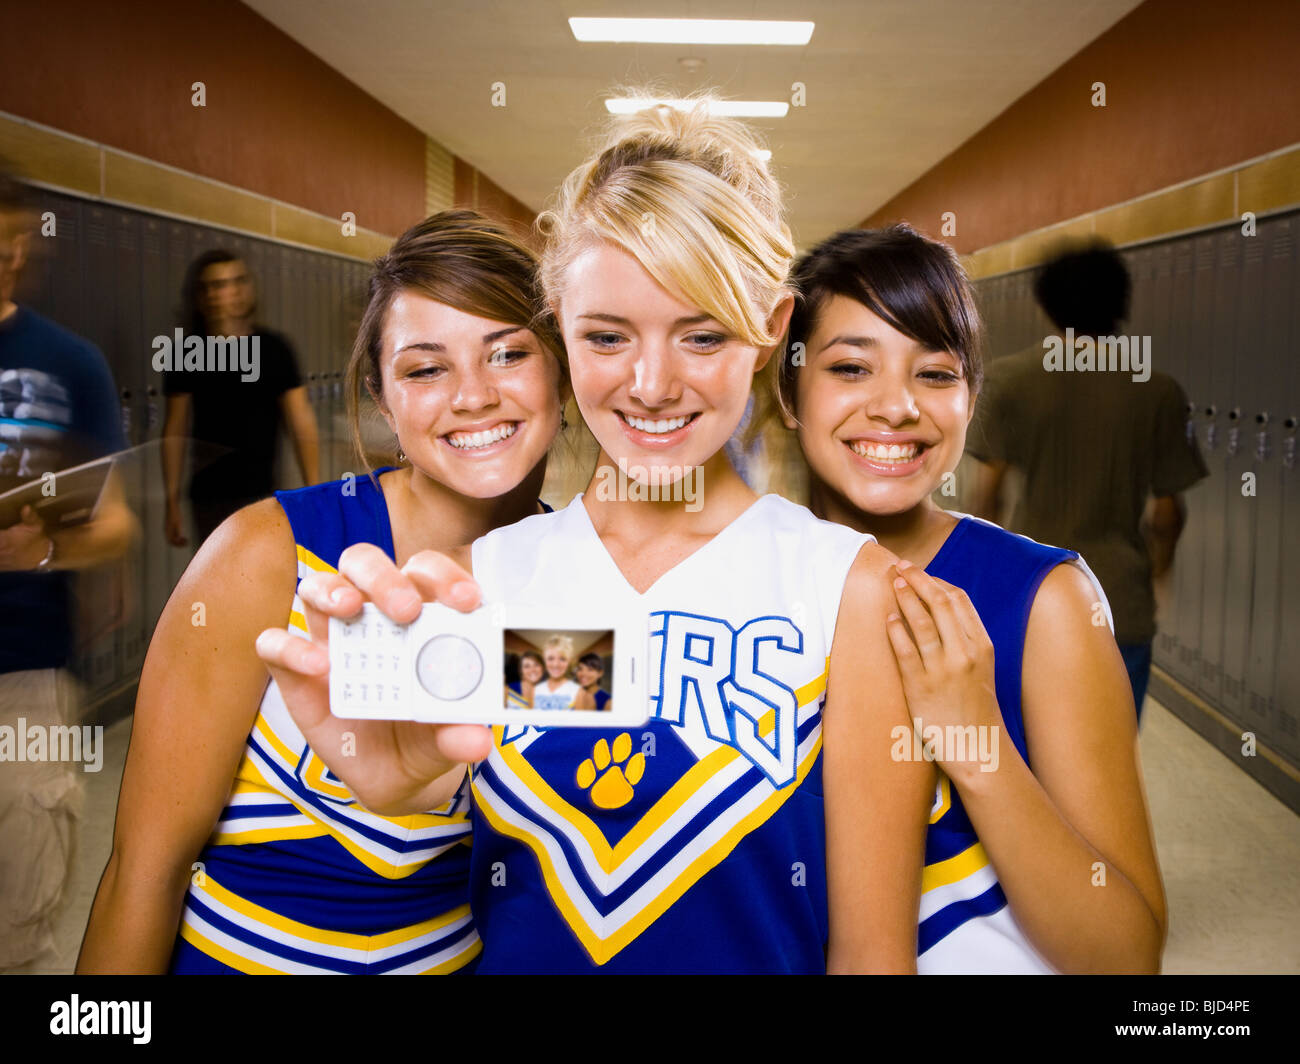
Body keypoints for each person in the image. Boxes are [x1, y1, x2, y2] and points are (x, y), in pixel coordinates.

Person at [256, 98, 931, 974]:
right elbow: (447, 792)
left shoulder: (850, 586)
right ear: (558, 325)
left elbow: (873, 955)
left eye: (702, 334)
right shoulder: (482, 582)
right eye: (608, 336)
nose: (653, 384)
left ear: (770, 328)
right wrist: (399, 782)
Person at [77, 209, 572, 974]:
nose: (472, 396)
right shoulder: (268, 554)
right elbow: (144, 873)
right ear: (382, 398)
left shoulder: (580, 584)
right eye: (425, 368)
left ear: (562, 373)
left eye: (508, 353)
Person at [759, 223, 1166, 973]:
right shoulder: (732, 581)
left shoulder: (1044, 601)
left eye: (936, 374)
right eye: (851, 368)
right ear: (790, 391)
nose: (896, 407)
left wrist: (976, 746)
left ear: (971, 398)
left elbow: (1125, 957)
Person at [964, 240, 1207, 719]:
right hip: (1122, 599)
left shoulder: (1012, 379)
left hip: (1033, 594)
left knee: (1034, 747)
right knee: (1112, 752)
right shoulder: (1157, 390)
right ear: (1122, 303)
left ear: (1046, 305)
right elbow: (1167, 513)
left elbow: (986, 499)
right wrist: (1157, 571)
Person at [0, 164, 136, 972]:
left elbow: (114, 524)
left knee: (21, 923)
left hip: (24, 672)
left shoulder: (67, 362)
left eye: (10, 243)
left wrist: (47, 548)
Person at [162, 250, 321, 548]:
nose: (225, 293)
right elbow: (175, 429)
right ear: (200, 296)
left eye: (235, 282)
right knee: (216, 584)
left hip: (262, 492)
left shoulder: (275, 350)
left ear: (248, 289)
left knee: (263, 578)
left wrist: (312, 490)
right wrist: (170, 500)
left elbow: (300, 421)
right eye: (214, 286)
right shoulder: (184, 354)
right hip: (207, 496)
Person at [532, 634, 594, 710]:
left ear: (569, 662)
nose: (556, 664)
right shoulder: (536, 689)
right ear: (544, 660)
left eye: (562, 659)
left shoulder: (578, 692)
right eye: (550, 658)